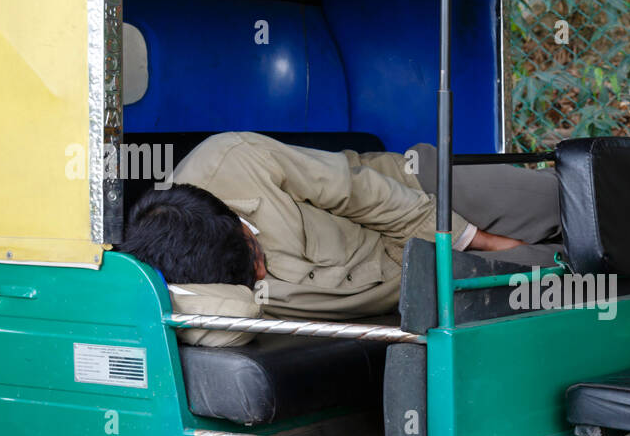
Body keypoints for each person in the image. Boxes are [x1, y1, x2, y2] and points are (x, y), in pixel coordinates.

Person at [120, 132, 560, 345]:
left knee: (563, 200)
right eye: (253, 277)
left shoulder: (233, 160)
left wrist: (475, 239)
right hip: (410, 282)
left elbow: (362, 192)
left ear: (236, 223)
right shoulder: (190, 283)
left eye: (255, 251)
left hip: (414, 194)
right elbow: (225, 322)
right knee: (568, 277)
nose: (262, 269)